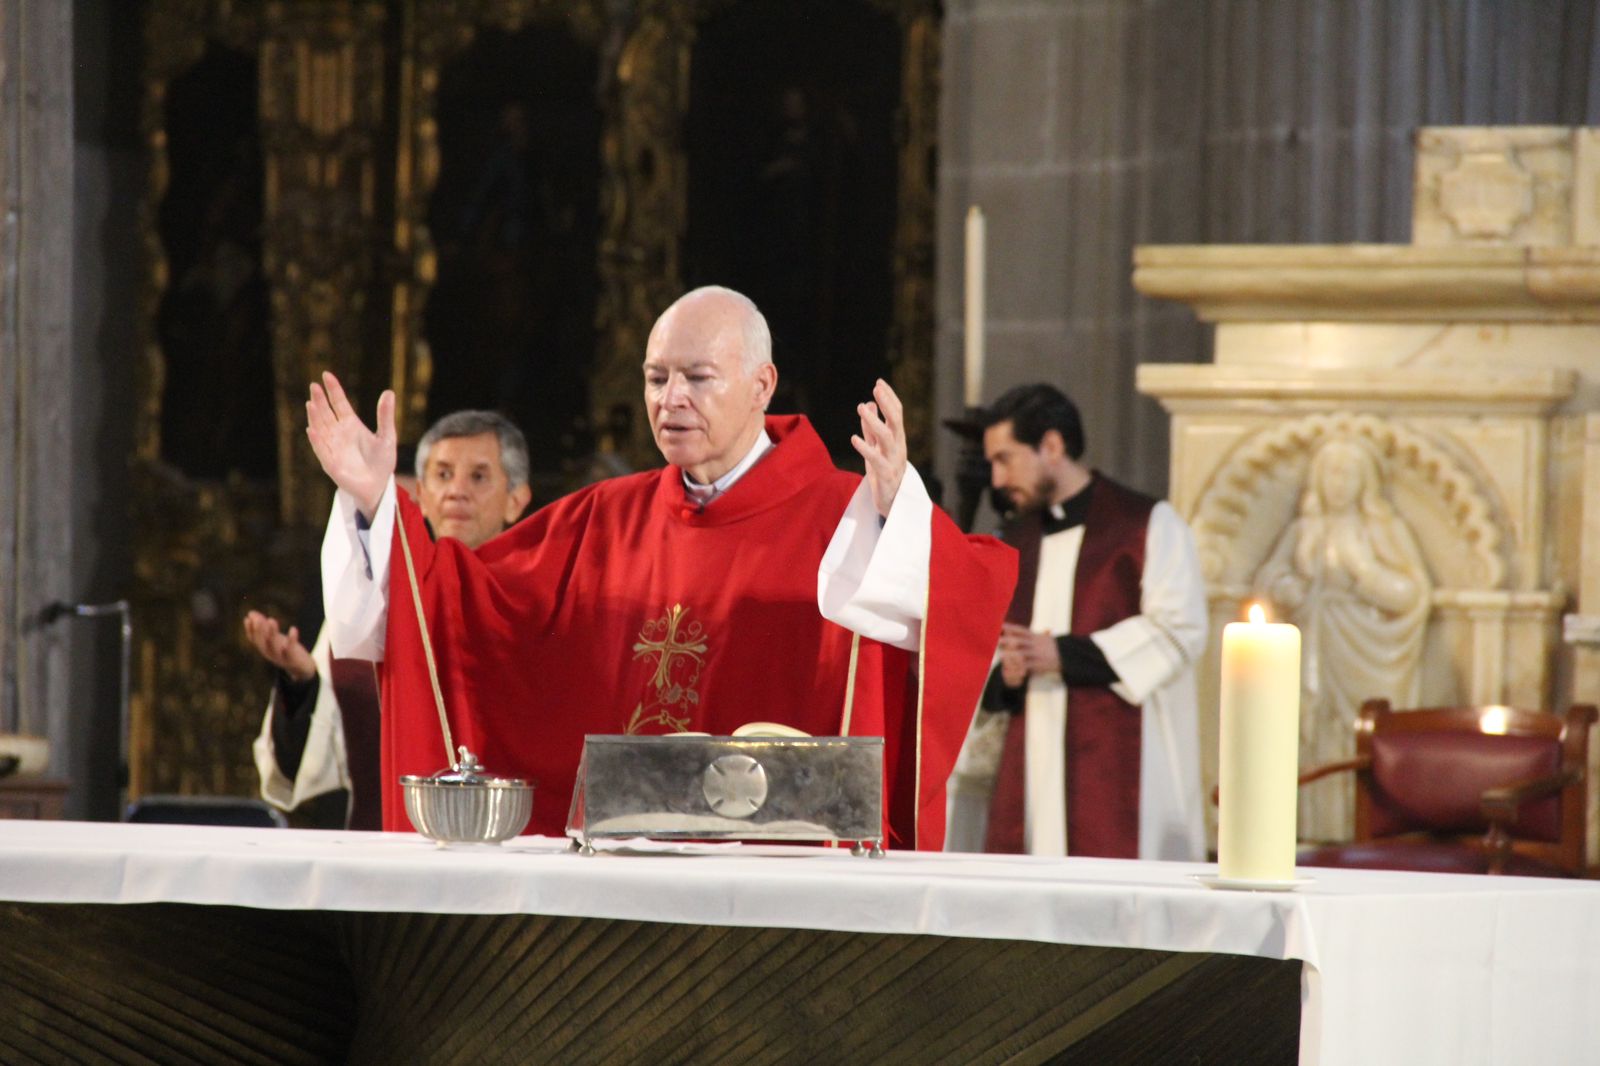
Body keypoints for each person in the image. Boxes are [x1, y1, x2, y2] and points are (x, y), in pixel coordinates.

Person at [309, 285, 1015, 848]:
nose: (670, 398)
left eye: (697, 378)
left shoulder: (846, 519)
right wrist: (376, 504)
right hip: (624, 875)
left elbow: (965, 595)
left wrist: (898, 516)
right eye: (656, 378)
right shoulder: (601, 518)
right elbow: (458, 602)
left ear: (761, 385)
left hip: (784, 885)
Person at [945, 384, 1208, 860]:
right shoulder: (1014, 542)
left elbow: (1179, 629)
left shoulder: (1146, 526)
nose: (997, 479)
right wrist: (1006, 677)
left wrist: (1061, 654)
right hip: (1029, 774)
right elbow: (982, 658)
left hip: (1117, 776)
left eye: (1005, 459)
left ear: (1051, 446)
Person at [249, 413, 532, 829]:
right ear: (420, 495)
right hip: (386, 847)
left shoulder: (536, 604)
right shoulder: (372, 606)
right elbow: (311, 768)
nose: (456, 491)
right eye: (443, 475)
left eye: (478, 477)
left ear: (516, 500)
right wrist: (303, 683)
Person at [1255, 433, 1431, 842]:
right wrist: (1285, 588)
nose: (1338, 483)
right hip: (1310, 641)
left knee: (1355, 735)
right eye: (1330, 473)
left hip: (1362, 647)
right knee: (1309, 733)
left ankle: (1362, 834)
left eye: (1348, 474)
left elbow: (1410, 594)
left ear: (1365, 481)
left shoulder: (1382, 530)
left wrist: (1364, 569)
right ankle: (1308, 832)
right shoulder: (1303, 529)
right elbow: (1269, 578)